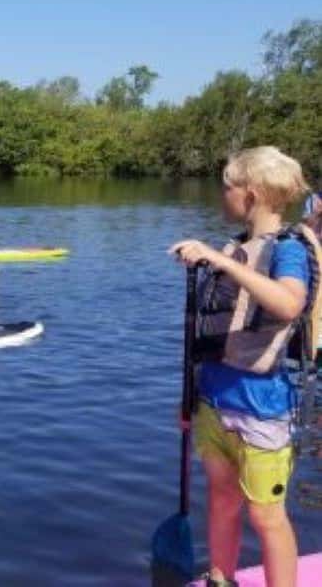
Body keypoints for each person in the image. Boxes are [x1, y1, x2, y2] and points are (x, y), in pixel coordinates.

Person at [170, 146, 322, 587]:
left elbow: (289, 303)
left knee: (265, 513)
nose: (223, 196)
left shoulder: (288, 249)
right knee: (221, 497)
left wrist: (218, 261)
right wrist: (188, 400)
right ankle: (221, 578)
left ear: (251, 195)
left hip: (261, 404)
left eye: (228, 188)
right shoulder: (237, 247)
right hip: (214, 397)